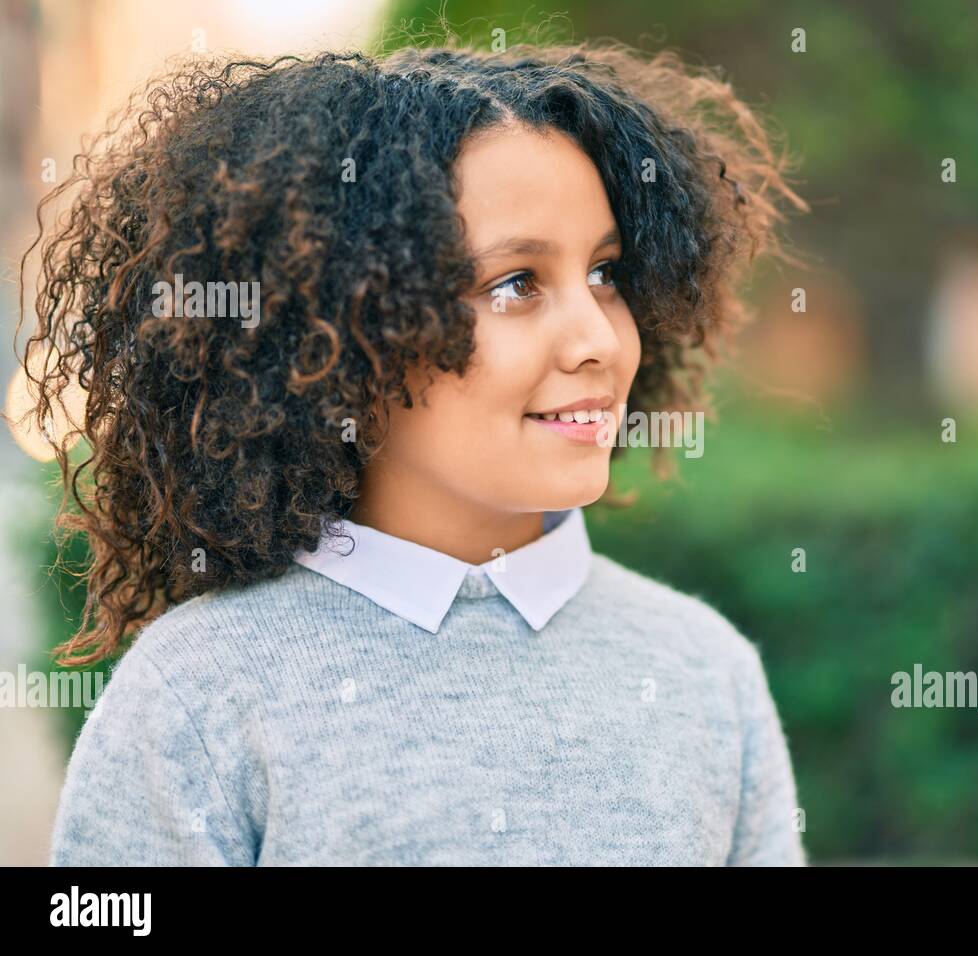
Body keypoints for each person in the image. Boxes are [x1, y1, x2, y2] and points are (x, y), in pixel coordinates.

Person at [24, 37, 810, 865]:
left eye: (606, 273)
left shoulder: (705, 673)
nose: (598, 340)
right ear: (346, 332)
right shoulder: (200, 697)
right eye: (516, 285)